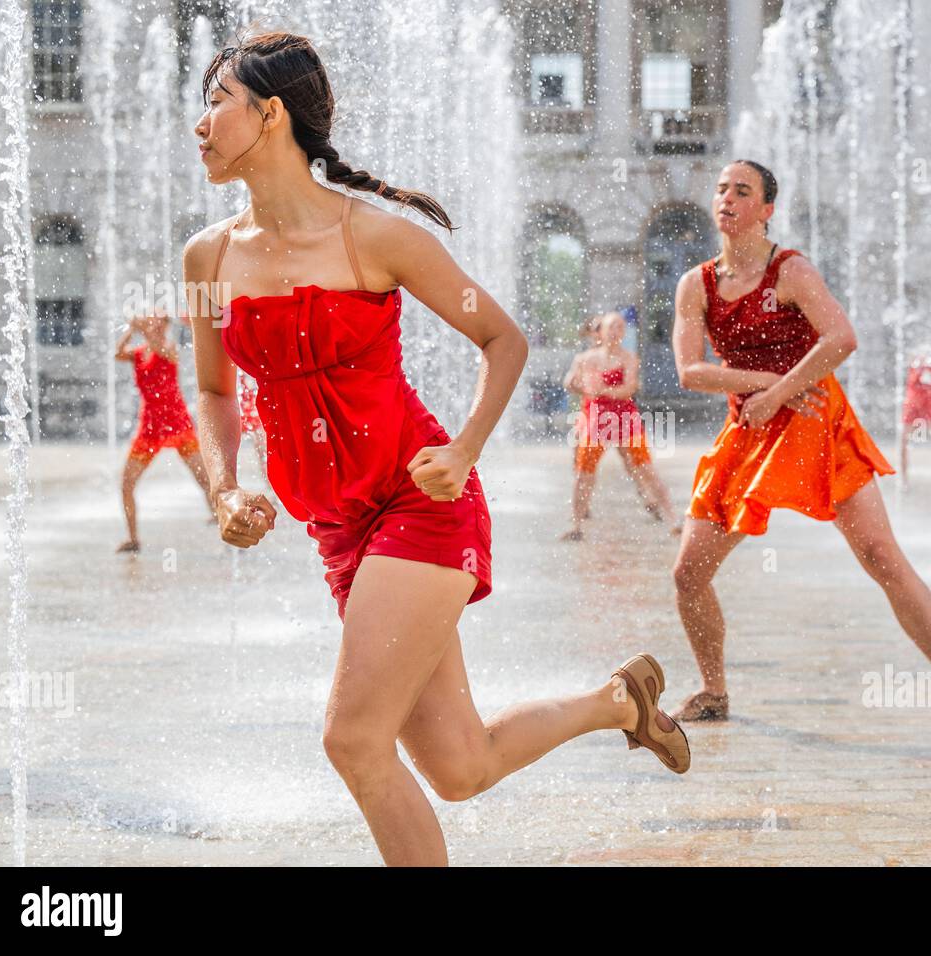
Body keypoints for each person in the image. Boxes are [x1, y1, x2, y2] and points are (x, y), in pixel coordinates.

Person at [184, 31, 689, 867]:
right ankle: (619, 704)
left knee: (352, 741)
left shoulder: (378, 238)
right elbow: (210, 390)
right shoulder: (207, 256)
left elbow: (504, 339)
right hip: (339, 528)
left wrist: (462, 451)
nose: (200, 124)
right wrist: (223, 488)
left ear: (270, 116)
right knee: (459, 765)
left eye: (217, 102)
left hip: (420, 503)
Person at [667, 159, 931, 748]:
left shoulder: (790, 271)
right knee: (688, 572)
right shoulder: (696, 284)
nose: (726, 199)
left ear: (766, 209)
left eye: (742, 191)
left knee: (880, 555)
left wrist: (780, 392)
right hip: (751, 423)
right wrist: (763, 387)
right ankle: (713, 689)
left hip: (813, 420)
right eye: (721, 189)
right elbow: (690, 372)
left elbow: (842, 338)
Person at [560, 311, 683, 540]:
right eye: (612, 327)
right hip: (596, 418)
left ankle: (673, 520)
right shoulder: (585, 358)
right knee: (584, 474)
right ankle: (576, 525)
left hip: (624, 419)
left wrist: (601, 389)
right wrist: (582, 385)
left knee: (645, 469)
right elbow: (570, 382)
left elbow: (629, 388)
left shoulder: (628, 357)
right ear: (601, 332)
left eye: (620, 328)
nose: (616, 332)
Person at [114, 310, 214, 552]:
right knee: (126, 483)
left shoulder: (169, 349)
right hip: (150, 428)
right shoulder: (138, 354)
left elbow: (159, 348)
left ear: (163, 326)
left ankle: (222, 518)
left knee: (204, 478)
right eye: (150, 319)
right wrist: (130, 330)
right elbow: (118, 353)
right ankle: (133, 538)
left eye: (155, 320)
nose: (151, 322)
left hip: (177, 423)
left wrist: (141, 328)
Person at [899, 348, 931, 490]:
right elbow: (909, 356)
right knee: (903, 444)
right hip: (911, 409)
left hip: (929, 409)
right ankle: (904, 480)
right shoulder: (914, 366)